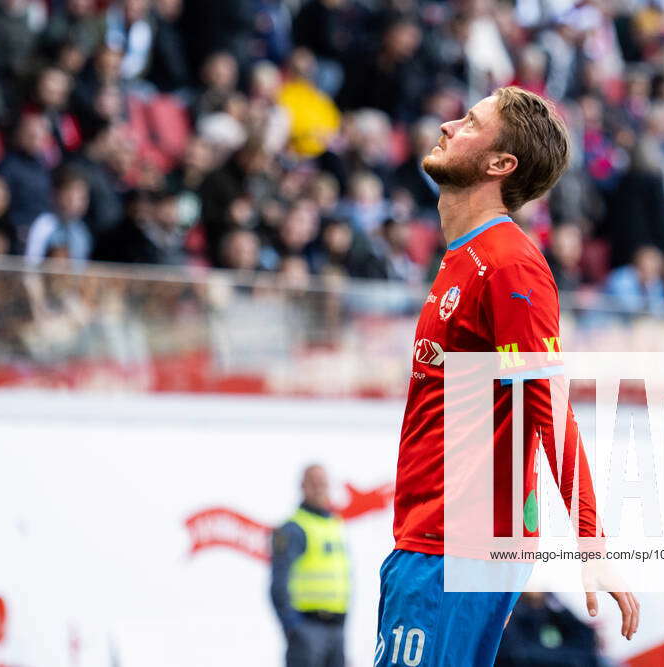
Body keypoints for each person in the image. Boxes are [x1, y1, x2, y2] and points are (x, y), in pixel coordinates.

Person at [377, 86, 639, 666]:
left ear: (500, 165)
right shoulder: (465, 258)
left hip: (449, 547)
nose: (448, 124)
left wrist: (591, 539)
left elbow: (549, 403)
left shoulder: (507, 263)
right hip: (438, 542)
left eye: (470, 122)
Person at [270, 464, 349, 667]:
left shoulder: (334, 525)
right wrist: (293, 627)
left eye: (322, 482)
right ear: (302, 486)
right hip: (307, 629)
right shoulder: (293, 528)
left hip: (336, 629)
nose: (318, 488)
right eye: (313, 483)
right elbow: (278, 584)